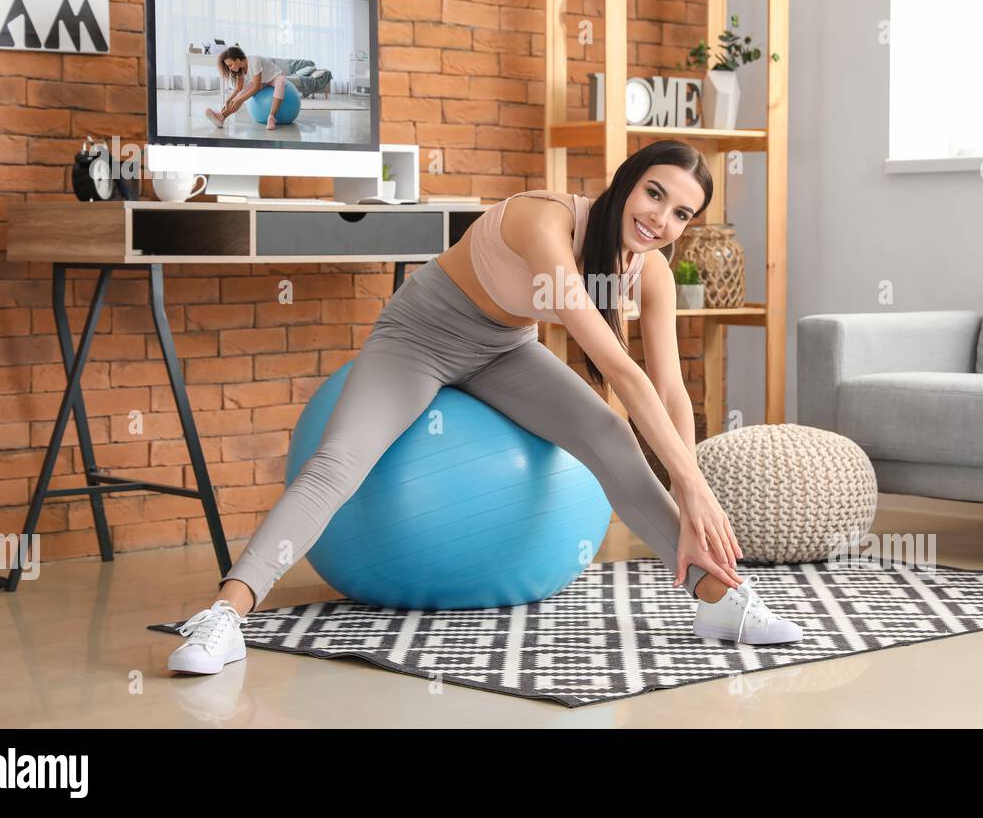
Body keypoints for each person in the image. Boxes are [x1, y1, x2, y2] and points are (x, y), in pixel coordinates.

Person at [168, 140, 804, 674]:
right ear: (626, 183)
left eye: (682, 215)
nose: (661, 220)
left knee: (610, 434)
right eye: (655, 194)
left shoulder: (653, 271)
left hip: (503, 351)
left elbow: (667, 390)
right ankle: (227, 614)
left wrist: (689, 481)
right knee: (340, 458)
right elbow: (618, 366)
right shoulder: (545, 222)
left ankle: (717, 596)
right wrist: (692, 487)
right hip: (419, 338)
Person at [206, 46, 289, 131]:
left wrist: (240, 100)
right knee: (241, 94)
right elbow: (238, 89)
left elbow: (256, 87)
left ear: (237, 60)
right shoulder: (240, 69)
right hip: (262, 81)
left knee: (281, 83)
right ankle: (221, 117)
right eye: (228, 66)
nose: (230, 68)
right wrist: (229, 99)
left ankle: (272, 117)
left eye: (230, 65)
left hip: (275, 76)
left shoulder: (254, 61)